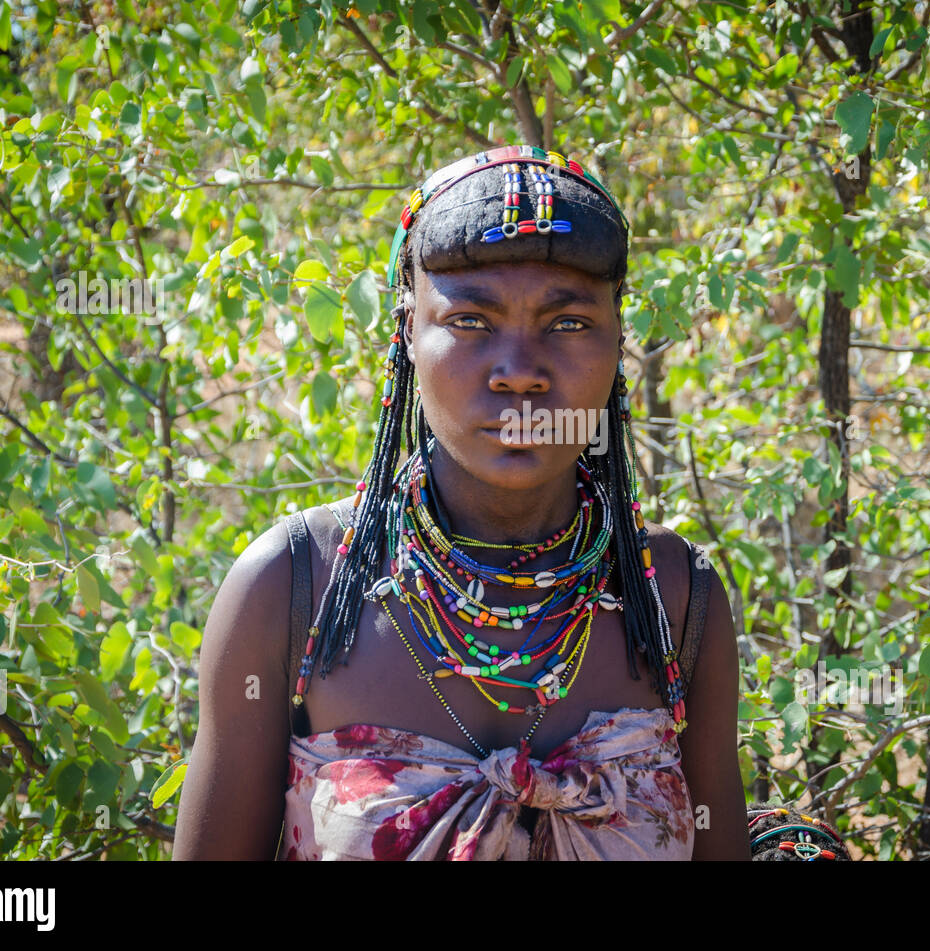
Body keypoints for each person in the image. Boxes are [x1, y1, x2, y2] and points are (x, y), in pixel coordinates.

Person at [172, 144, 748, 860]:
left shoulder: (676, 601)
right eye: (472, 321)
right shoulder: (293, 589)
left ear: (617, 337)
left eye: (567, 322)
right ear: (408, 331)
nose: (519, 373)